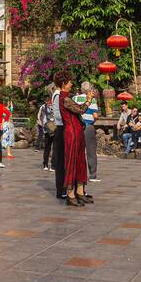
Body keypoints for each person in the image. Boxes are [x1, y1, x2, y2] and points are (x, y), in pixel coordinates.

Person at [57, 73, 91, 207]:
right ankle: (70, 194)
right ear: (64, 83)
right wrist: (88, 100)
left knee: (81, 161)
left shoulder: (68, 98)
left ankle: (80, 191)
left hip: (77, 131)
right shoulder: (64, 98)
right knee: (72, 161)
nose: (71, 84)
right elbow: (80, 110)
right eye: (70, 82)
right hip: (72, 133)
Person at [81, 82, 101, 182]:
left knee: (78, 151)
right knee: (91, 151)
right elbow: (95, 116)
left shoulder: (75, 98)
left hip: (77, 127)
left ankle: (79, 173)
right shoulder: (92, 100)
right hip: (88, 126)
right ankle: (92, 175)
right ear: (89, 90)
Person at [37, 91, 56, 171]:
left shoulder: (42, 107)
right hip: (55, 129)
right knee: (54, 148)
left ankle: (45, 164)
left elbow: (38, 117)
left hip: (46, 129)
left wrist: (42, 125)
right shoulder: (55, 106)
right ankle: (53, 166)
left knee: (47, 148)